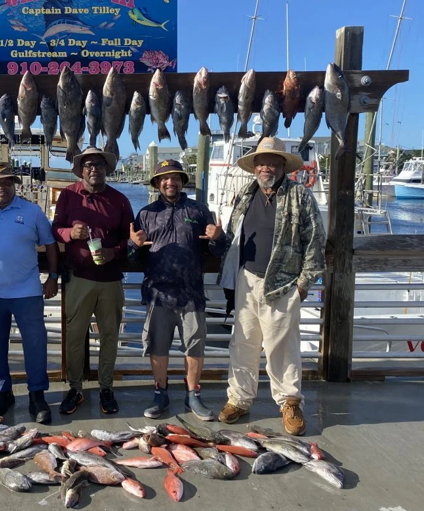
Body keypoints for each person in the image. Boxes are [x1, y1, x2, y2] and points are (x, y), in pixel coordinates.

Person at [217, 137, 326, 436]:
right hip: (247, 280)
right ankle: (239, 399)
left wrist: (302, 286)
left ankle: (290, 403)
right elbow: (231, 236)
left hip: (283, 284)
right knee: (243, 342)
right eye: (261, 162)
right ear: (254, 167)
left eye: (272, 162)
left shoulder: (300, 196)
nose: (266, 167)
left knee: (283, 348)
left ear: (282, 166)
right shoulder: (245, 193)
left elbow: (316, 243)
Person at [0, 162, 60, 424]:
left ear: (14, 184)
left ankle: (37, 394)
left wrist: (53, 276)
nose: (0, 187)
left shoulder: (33, 211)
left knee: (35, 345)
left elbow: (49, 244)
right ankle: (2, 392)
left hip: (26, 291)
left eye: (6, 182)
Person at [129, 160, 225, 420]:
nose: (169, 182)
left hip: (191, 292)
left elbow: (217, 249)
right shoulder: (146, 213)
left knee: (194, 346)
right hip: (157, 292)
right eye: (164, 178)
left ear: (183, 181)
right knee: (158, 346)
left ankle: (193, 393)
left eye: (175, 178)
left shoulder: (199, 209)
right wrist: (133, 245)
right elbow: (134, 258)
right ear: (157, 183)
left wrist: (218, 238)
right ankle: (160, 392)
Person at [52, 147, 133, 415]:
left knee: (110, 335)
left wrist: (115, 251)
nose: (93, 168)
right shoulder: (68, 195)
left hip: (111, 279)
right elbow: (55, 229)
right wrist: (69, 233)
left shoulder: (120, 200)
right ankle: (75, 389)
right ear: (81, 170)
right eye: (88, 165)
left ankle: (106, 388)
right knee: (74, 335)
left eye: (98, 164)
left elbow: (130, 238)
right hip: (79, 277)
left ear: (106, 168)